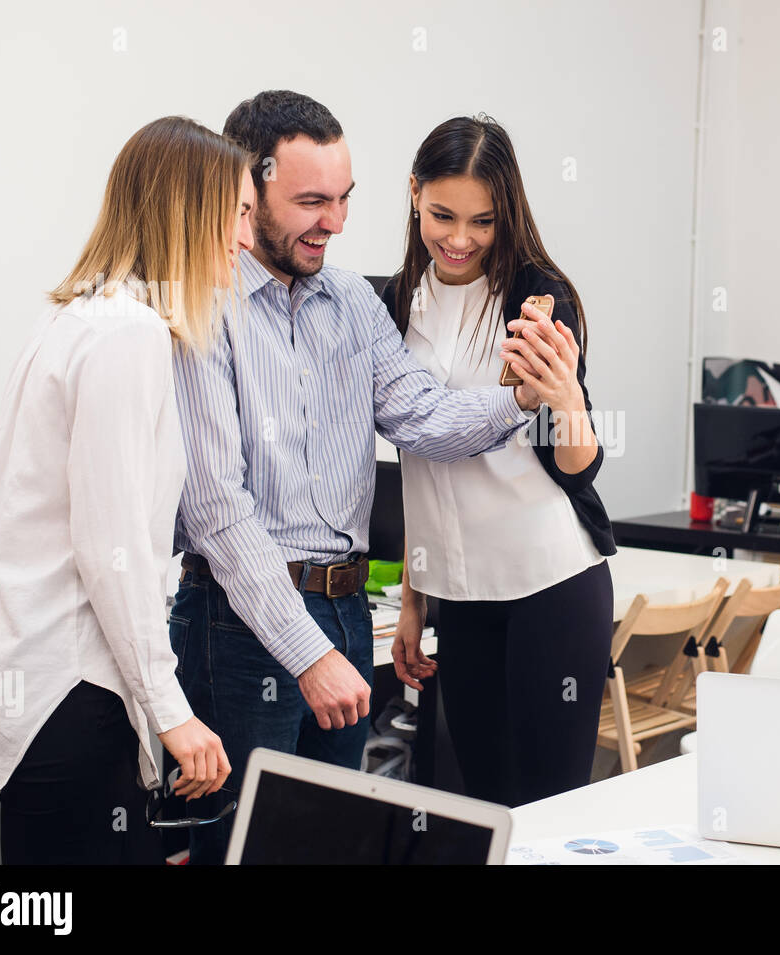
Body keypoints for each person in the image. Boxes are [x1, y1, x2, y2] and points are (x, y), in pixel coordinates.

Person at [169, 91, 561, 865]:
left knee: (331, 846)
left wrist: (520, 394)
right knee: (243, 850)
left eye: (343, 199)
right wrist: (307, 656)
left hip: (346, 614)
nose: (336, 222)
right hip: (238, 625)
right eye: (311, 201)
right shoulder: (202, 309)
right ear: (247, 192)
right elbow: (219, 511)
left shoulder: (351, 302)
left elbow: (420, 415)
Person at [0, 116, 250, 864]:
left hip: (40, 692)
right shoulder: (127, 336)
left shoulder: (78, 319)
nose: (244, 233)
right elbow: (114, 555)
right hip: (68, 694)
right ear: (189, 213)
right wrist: (172, 713)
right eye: (235, 211)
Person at [382, 115, 616, 807]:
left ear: (505, 212)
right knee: (480, 808)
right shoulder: (394, 303)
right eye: (442, 215)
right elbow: (420, 459)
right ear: (414, 194)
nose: (459, 239)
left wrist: (567, 395)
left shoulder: (537, 297)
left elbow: (578, 467)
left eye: (482, 221)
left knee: (549, 806)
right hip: (457, 593)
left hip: (550, 581)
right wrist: (412, 604)